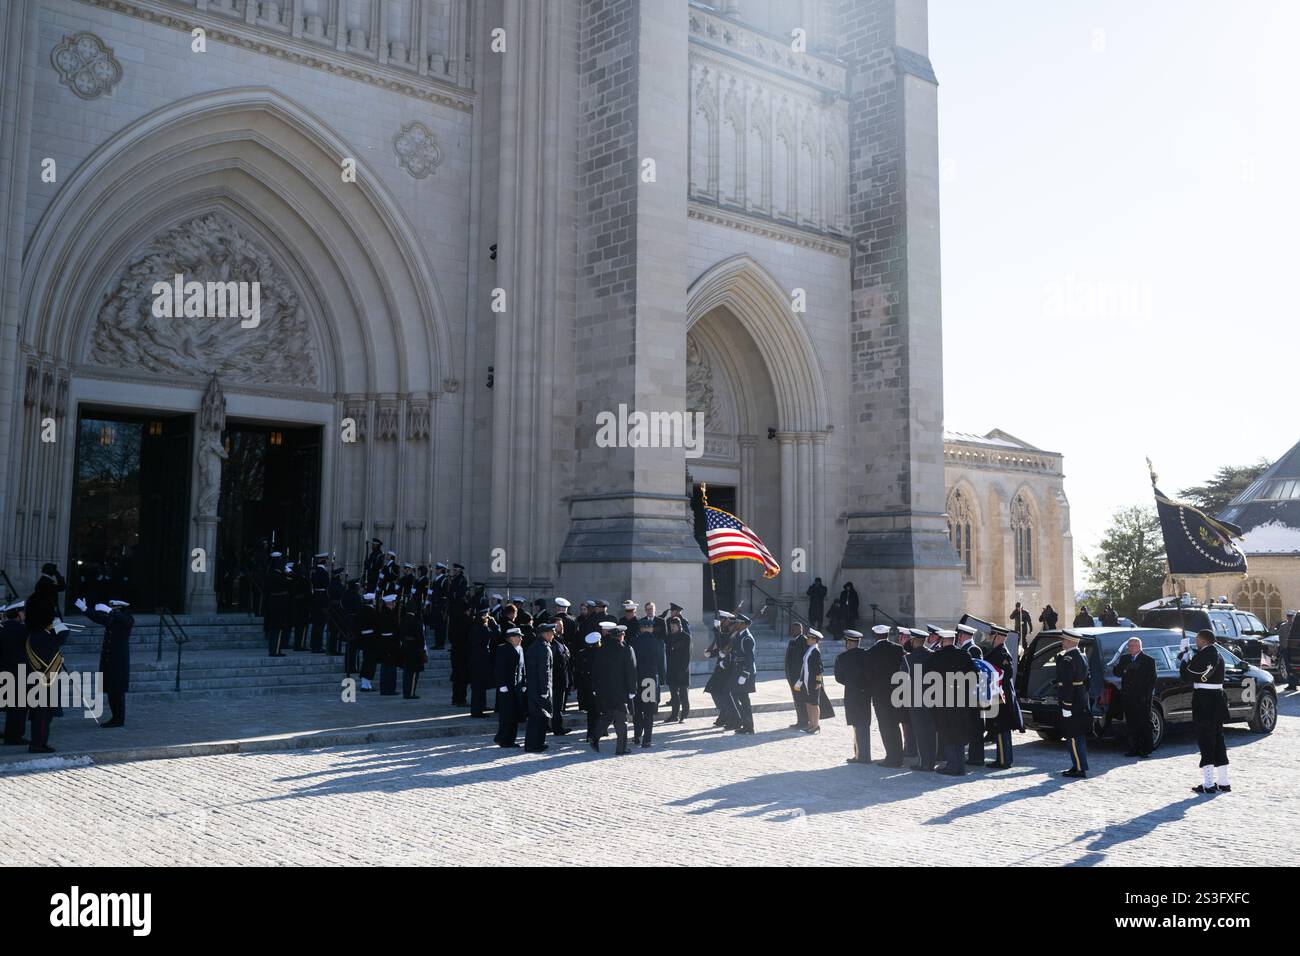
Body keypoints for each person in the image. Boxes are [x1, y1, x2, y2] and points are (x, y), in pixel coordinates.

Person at [1179, 629, 1231, 793]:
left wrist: (1183, 658)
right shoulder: (1217, 653)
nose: (1196, 642)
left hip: (1205, 700)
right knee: (1218, 739)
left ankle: (1208, 784)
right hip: (1217, 698)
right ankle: (1223, 782)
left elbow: (1188, 675)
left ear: (1203, 640)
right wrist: (1190, 655)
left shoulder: (1206, 654)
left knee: (1206, 740)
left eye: (1197, 640)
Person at [76, 597, 132, 727]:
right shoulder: (113, 619)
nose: (110, 611)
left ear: (119, 609)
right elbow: (98, 618)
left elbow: (128, 622)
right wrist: (85, 609)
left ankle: (119, 719)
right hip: (110, 661)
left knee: (117, 692)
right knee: (111, 691)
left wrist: (111, 612)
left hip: (119, 662)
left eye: (113, 609)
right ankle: (115, 717)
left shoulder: (126, 619)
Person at [928, 629, 976, 776]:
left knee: (947, 732)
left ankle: (951, 766)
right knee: (959, 731)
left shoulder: (937, 656)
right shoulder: (964, 654)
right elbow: (973, 676)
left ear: (943, 640)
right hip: (961, 699)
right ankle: (960, 766)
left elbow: (930, 678)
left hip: (944, 699)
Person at [24, 613, 70, 754]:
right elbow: (63, 636)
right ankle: (38, 744)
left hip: (38, 680)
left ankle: (38, 743)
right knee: (43, 716)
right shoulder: (42, 636)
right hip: (44, 682)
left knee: (41, 715)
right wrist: (58, 622)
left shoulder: (36, 634)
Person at [591, 623, 637, 755]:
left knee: (607, 715)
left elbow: (595, 671)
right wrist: (632, 690)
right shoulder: (627, 649)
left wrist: (596, 688)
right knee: (621, 720)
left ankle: (594, 737)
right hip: (620, 691)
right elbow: (631, 672)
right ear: (621, 636)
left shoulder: (601, 650)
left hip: (604, 691)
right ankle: (621, 748)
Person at [865, 624, 906, 767]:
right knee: (895, 725)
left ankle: (891, 757)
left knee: (885, 726)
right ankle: (899, 757)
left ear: (876, 636)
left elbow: (868, 675)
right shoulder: (898, 648)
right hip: (896, 692)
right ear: (888, 635)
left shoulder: (870, 652)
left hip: (880, 695)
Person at [983, 626, 1022, 768]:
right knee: (999, 728)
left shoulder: (1002, 654)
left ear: (999, 637)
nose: (989, 637)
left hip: (1001, 697)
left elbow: (1007, 674)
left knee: (1002, 728)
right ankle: (1003, 759)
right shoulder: (996, 652)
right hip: (996, 696)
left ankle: (1004, 760)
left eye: (991, 635)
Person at [1055, 630, 1091, 779]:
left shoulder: (1068, 659)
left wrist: (1067, 705)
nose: (1062, 642)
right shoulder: (1081, 655)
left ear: (1070, 642)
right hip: (1080, 699)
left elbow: (1068, 684)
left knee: (1073, 737)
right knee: (1078, 735)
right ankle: (1078, 765)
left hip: (1072, 701)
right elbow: (1086, 680)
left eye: (1064, 640)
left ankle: (1078, 768)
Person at [1114, 636, 1156, 757]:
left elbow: (1152, 680)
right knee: (1131, 724)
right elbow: (1116, 672)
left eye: (1132, 646)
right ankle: (1133, 748)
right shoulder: (1125, 658)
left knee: (1144, 723)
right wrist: (1125, 668)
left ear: (1138, 647)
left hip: (1142, 698)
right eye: (1128, 646)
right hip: (1129, 697)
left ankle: (1146, 749)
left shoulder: (1148, 660)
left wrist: (1146, 696)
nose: (1129, 648)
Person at [834, 629, 871, 763]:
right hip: (865, 693)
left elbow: (839, 678)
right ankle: (865, 754)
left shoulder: (842, 658)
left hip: (852, 693)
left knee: (857, 724)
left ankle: (860, 756)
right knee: (865, 723)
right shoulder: (867, 654)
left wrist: (850, 683)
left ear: (848, 642)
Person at [630, 610, 664, 747]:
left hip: (637, 679)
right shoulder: (658, 642)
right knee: (649, 711)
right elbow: (662, 663)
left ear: (641, 628)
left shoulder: (633, 642)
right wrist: (661, 679)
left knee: (637, 710)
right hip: (650, 679)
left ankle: (637, 736)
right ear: (650, 628)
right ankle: (647, 739)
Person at [904, 628, 937, 771]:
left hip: (916, 699)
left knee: (920, 730)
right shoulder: (933, 656)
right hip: (932, 698)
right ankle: (931, 761)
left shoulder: (908, 658)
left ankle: (924, 762)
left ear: (913, 641)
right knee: (931, 730)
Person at [956, 623, 985, 766]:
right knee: (970, 725)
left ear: (962, 635)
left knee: (975, 726)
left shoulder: (973, 649)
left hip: (972, 694)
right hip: (967, 693)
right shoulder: (966, 649)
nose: (958, 638)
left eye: (959, 635)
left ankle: (977, 757)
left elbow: (976, 672)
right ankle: (973, 755)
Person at [493, 628, 527, 748]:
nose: (521, 638)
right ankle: (503, 739)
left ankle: (510, 739)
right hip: (506, 687)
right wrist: (502, 685)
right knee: (506, 714)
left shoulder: (520, 649)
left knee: (515, 714)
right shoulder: (503, 649)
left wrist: (524, 684)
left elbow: (523, 669)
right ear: (512, 637)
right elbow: (499, 669)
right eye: (519, 636)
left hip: (517, 687)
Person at [704, 612, 738, 729]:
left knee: (723, 693)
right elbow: (720, 647)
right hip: (720, 666)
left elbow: (724, 644)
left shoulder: (733, 633)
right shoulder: (725, 632)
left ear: (727, 620)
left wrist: (716, 630)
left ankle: (729, 717)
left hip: (727, 668)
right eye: (720, 620)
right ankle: (724, 714)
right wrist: (711, 653)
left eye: (722, 619)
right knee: (713, 689)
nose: (721, 622)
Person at [1, 601, 29, 745]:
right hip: (17, 672)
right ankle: (13, 736)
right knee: (17, 707)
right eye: (23, 612)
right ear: (18, 614)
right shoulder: (23, 630)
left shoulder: (2, 628)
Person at [524, 623, 555, 752]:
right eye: (552, 634)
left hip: (532, 687)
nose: (553, 636)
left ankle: (534, 743)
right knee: (540, 718)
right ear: (546, 634)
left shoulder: (533, 646)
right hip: (540, 689)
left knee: (535, 717)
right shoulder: (544, 648)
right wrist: (545, 690)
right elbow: (544, 671)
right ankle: (535, 744)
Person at [793, 629, 827, 733]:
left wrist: (818, 682)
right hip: (807, 681)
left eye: (809, 638)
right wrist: (801, 679)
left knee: (814, 704)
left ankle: (816, 725)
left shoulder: (815, 651)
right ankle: (811, 724)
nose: (807, 639)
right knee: (808, 703)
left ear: (814, 639)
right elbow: (805, 667)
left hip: (813, 682)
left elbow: (819, 668)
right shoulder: (810, 649)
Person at [729, 613, 757, 734]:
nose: (736, 624)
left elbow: (750, 659)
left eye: (738, 623)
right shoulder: (740, 636)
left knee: (744, 699)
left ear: (743, 624)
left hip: (745, 672)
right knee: (737, 697)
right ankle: (745, 723)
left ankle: (749, 726)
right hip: (738, 670)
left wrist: (745, 674)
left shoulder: (747, 638)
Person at [468, 603, 497, 717]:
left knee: (478, 686)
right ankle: (477, 711)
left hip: (475, 659)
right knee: (479, 686)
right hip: (481, 660)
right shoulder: (483, 628)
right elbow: (496, 633)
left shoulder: (473, 627)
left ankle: (479, 707)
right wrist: (494, 623)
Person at [575, 630, 602, 742]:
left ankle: (591, 734)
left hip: (587, 687)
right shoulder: (601, 653)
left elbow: (577, 671)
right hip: (599, 686)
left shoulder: (582, 653)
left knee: (591, 712)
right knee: (599, 710)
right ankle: (598, 732)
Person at [664, 614, 692, 722]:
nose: (672, 629)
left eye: (674, 627)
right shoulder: (669, 637)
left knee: (684, 695)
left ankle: (684, 715)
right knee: (674, 695)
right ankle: (674, 715)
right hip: (672, 670)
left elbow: (688, 656)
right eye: (671, 627)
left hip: (682, 671)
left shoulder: (686, 637)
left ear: (679, 626)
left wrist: (682, 671)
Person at [783, 622, 809, 730]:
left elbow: (803, 662)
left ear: (799, 630)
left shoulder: (803, 641)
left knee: (801, 699)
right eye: (791, 629)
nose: (791, 631)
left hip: (799, 677)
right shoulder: (794, 641)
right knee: (797, 699)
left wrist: (801, 678)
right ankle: (800, 720)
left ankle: (804, 721)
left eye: (793, 629)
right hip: (793, 677)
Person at [549, 618, 572, 736]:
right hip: (556, 680)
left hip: (562, 679)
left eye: (562, 625)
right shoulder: (553, 643)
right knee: (556, 706)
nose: (561, 627)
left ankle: (557, 726)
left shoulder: (560, 641)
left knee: (558, 706)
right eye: (558, 625)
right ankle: (557, 728)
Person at [399, 602, 425, 699]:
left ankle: (406, 692)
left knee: (406, 672)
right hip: (414, 649)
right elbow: (420, 636)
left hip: (406, 648)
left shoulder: (403, 620)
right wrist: (422, 648)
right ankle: (410, 693)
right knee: (414, 673)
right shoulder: (416, 621)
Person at [377, 593, 401, 695]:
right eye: (394, 602)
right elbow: (395, 629)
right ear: (390, 603)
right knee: (390, 667)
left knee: (385, 666)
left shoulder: (383, 613)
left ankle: (384, 688)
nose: (395, 604)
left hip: (383, 642)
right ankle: (389, 689)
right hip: (390, 642)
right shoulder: (390, 614)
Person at [1280, 610, 1297, 690]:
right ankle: (1291, 684)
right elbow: (1281, 638)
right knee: (1288, 667)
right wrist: (1282, 648)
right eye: (1288, 617)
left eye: (1291, 617)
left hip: (1295, 650)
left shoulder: (1296, 627)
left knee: (1295, 667)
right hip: (1286, 649)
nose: (1289, 618)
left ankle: (1295, 684)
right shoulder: (1283, 626)